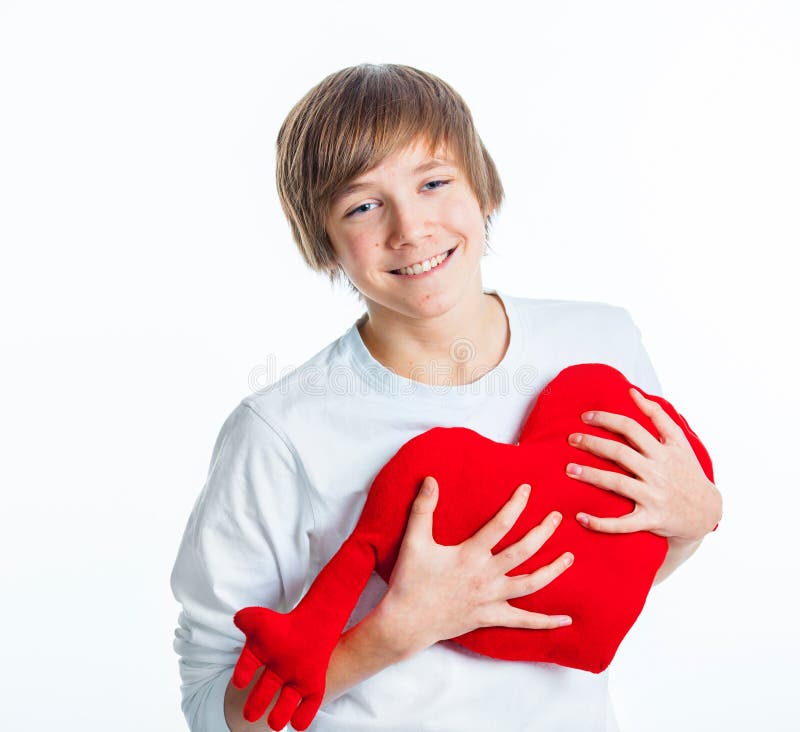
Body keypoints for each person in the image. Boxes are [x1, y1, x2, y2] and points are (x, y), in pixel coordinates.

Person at [170, 63, 722, 732]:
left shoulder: (600, 342)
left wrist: (696, 522)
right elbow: (213, 710)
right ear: (325, 244)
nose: (410, 228)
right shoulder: (279, 434)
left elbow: (613, 575)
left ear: (483, 189)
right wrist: (393, 635)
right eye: (362, 205)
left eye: (434, 183)